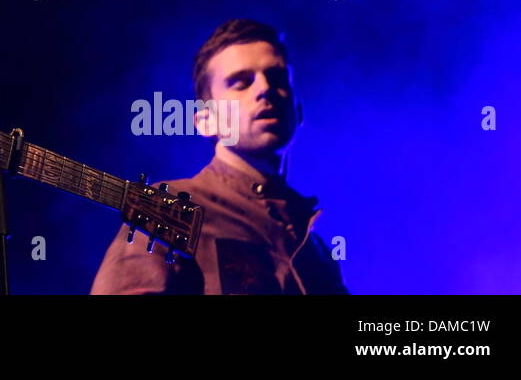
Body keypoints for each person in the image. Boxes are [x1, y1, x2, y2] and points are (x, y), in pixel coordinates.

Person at [90, 18, 347, 294]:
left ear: (298, 112)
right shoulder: (168, 208)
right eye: (241, 82)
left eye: (277, 78)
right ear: (206, 121)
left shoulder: (316, 249)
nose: (264, 89)